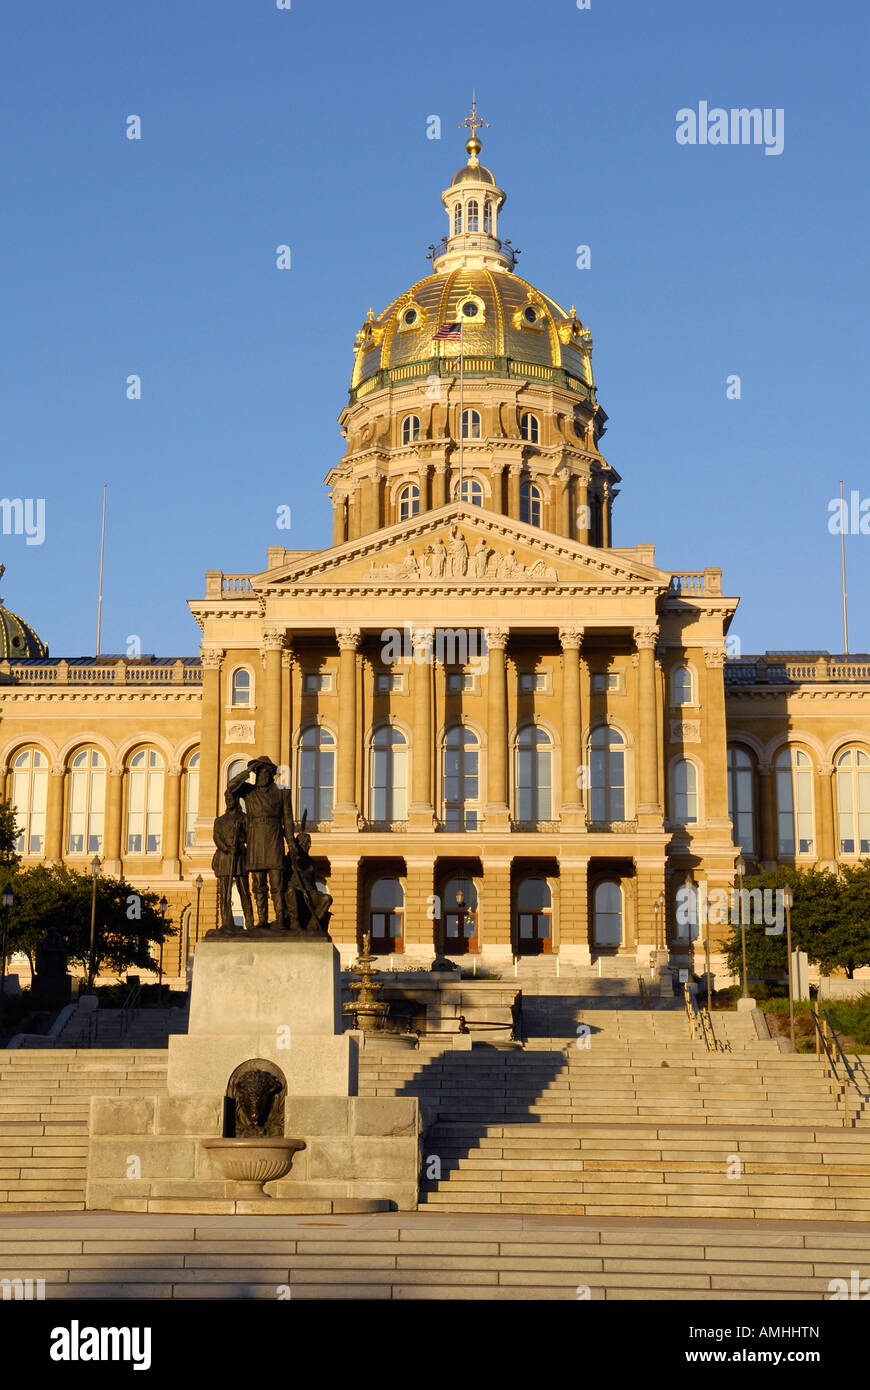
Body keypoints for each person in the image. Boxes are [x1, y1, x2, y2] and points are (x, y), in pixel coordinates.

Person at [236, 756, 295, 930]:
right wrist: (247, 771)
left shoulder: (282, 792)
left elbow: (288, 819)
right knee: (258, 885)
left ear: (270, 774)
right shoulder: (248, 791)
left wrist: (290, 841)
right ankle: (262, 920)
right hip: (255, 838)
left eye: (263, 772)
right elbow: (231, 787)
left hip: (274, 837)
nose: (260, 776)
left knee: (277, 883)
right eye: (257, 772)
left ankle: (280, 919)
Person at [211, 776, 254, 932]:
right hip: (225, 858)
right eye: (227, 798)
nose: (229, 800)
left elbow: (250, 837)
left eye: (231, 798)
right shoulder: (219, 821)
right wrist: (227, 848)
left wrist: (240, 838)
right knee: (225, 893)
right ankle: (226, 922)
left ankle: (249, 923)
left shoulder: (244, 818)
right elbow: (216, 837)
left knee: (244, 891)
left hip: (240, 857)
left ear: (236, 800)